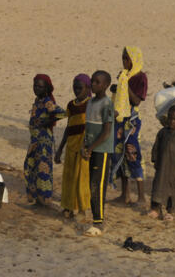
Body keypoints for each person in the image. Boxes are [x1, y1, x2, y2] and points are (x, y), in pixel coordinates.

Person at [111, 47, 147, 204]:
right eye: (123, 58)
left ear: (135, 59)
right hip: (120, 119)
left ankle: (141, 195)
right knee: (119, 152)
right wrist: (119, 84)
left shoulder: (140, 77)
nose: (124, 62)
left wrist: (124, 85)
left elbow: (137, 100)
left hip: (132, 120)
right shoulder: (124, 75)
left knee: (132, 153)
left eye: (127, 59)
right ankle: (125, 195)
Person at [24, 74, 65, 207]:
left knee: (43, 170)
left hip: (43, 142)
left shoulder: (48, 101)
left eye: (40, 86)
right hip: (35, 141)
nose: (36, 88)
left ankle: (45, 200)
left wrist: (48, 121)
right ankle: (37, 198)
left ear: (46, 88)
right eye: (35, 86)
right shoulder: (38, 100)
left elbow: (62, 113)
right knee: (31, 167)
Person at [82, 70, 114, 236]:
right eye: (92, 82)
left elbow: (106, 132)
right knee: (92, 185)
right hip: (92, 148)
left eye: (97, 82)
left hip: (101, 150)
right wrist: (85, 146)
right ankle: (96, 218)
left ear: (106, 85)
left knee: (98, 185)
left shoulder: (107, 104)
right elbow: (88, 128)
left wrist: (91, 147)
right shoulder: (90, 102)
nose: (93, 85)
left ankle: (99, 222)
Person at [55, 73, 92, 219]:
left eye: (79, 88)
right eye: (74, 88)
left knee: (81, 178)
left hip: (84, 147)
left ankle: (83, 209)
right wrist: (60, 148)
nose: (76, 90)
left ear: (87, 88)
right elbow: (68, 127)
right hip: (71, 145)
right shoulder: (71, 105)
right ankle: (68, 207)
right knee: (69, 177)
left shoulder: (91, 104)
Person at [149, 105, 175, 221]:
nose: (172, 121)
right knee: (157, 186)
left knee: (171, 188)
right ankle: (155, 209)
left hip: (174, 167)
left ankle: (170, 211)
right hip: (161, 166)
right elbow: (156, 147)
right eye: (170, 118)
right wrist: (154, 158)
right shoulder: (162, 132)